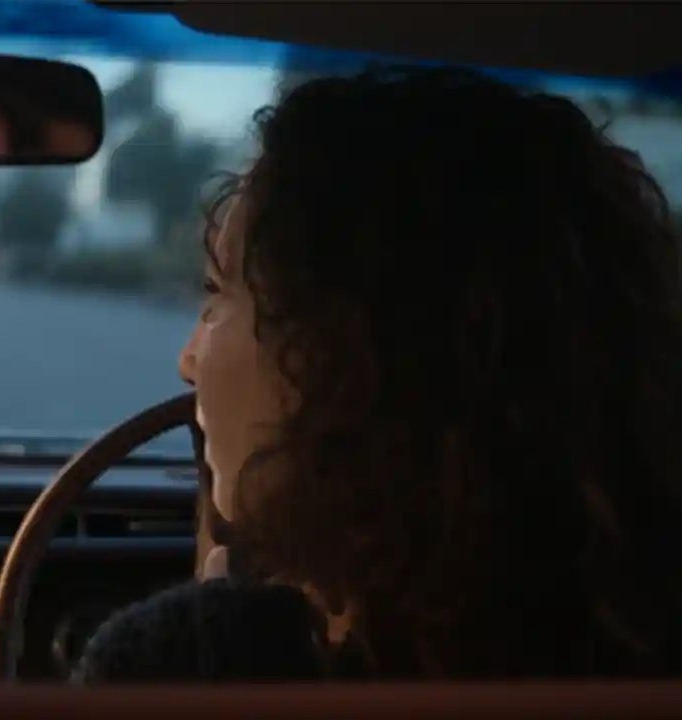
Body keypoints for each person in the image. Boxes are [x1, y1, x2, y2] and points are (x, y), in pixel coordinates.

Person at [75, 65, 682, 682]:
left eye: (215, 298)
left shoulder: (192, 668)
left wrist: (219, 622)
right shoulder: (640, 636)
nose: (187, 360)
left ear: (332, 353)